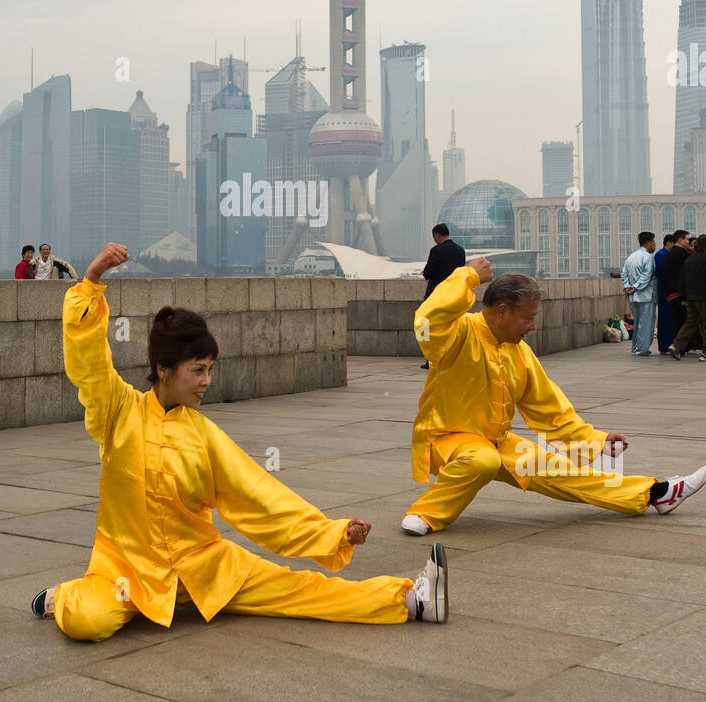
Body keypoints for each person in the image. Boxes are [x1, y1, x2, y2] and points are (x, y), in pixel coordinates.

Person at [31, 241, 450, 637]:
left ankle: (413, 599)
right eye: (197, 370)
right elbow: (89, 363)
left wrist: (333, 533)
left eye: (210, 369)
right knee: (89, 621)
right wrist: (90, 283)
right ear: (163, 368)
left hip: (204, 567)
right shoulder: (118, 412)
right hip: (125, 568)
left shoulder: (205, 436)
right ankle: (66, 596)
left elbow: (261, 501)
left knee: (300, 591)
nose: (206, 382)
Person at [400, 258, 706, 536]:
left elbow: (550, 409)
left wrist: (595, 441)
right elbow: (427, 318)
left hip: (495, 442)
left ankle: (657, 494)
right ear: (503, 310)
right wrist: (466, 276)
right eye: (528, 318)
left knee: (563, 473)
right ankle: (425, 513)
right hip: (446, 439)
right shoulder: (457, 335)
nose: (533, 326)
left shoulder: (519, 351)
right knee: (482, 459)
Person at [419, 224, 466, 369]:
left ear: (437, 235)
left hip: (436, 296)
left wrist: (425, 272)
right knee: (451, 327)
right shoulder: (460, 250)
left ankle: (431, 359)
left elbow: (429, 273)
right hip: (453, 294)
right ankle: (452, 358)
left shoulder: (436, 250)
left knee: (429, 326)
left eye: (434, 237)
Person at [668, 235, 706, 361]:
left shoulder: (689, 260)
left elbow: (682, 280)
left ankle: (676, 346)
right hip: (703, 297)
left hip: (690, 297)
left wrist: (684, 297)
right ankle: (705, 353)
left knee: (690, 322)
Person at [621, 231, 656, 356]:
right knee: (646, 324)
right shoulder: (648, 257)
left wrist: (628, 287)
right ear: (649, 242)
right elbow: (646, 276)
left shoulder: (631, 257)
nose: (654, 245)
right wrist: (636, 287)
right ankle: (642, 349)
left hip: (633, 297)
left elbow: (624, 274)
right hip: (646, 296)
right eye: (653, 242)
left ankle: (636, 347)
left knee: (637, 323)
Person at [654, 233, 674, 354]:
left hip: (665, 290)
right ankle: (664, 345)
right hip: (663, 291)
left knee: (668, 319)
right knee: (664, 319)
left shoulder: (665, 254)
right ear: (668, 243)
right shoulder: (661, 255)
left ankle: (667, 344)